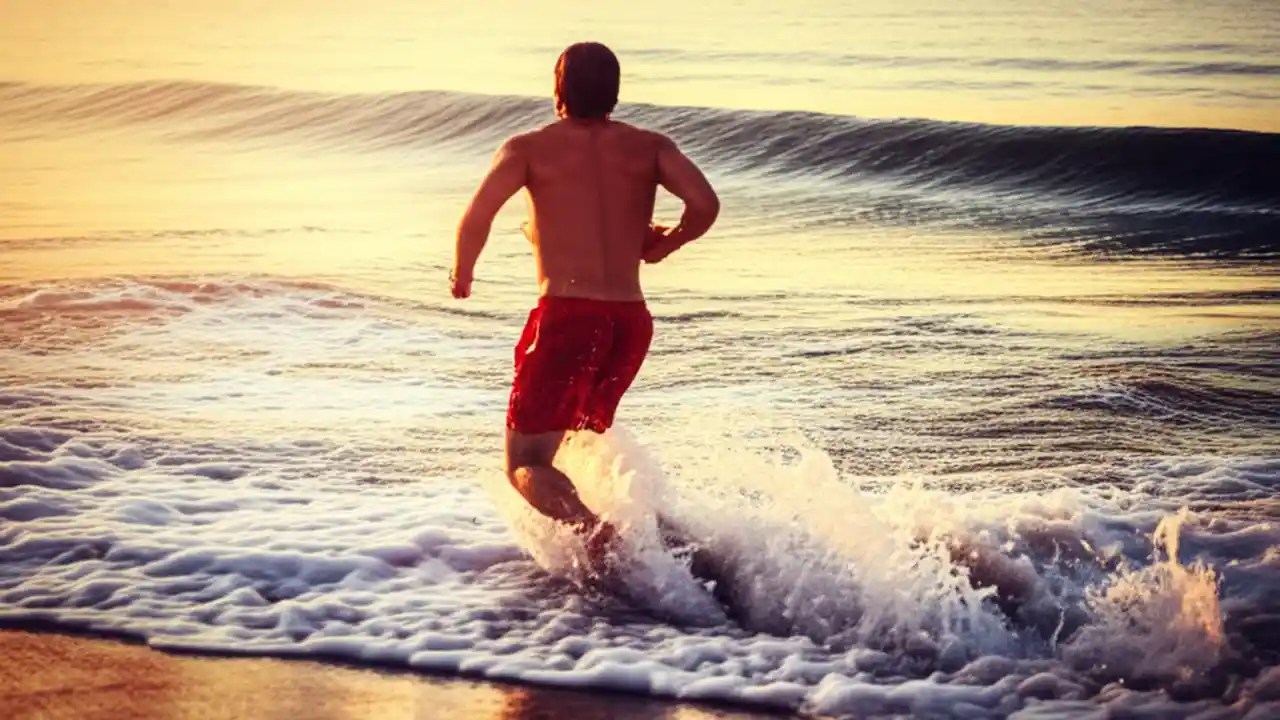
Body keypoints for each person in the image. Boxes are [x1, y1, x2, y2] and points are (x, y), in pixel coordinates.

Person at [449, 42, 720, 571]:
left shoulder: (527, 148)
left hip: (569, 319)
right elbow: (705, 205)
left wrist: (463, 272)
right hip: (630, 323)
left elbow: (477, 215)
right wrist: (664, 245)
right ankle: (661, 548)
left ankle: (606, 543)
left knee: (525, 462)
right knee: (576, 438)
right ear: (615, 94)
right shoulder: (651, 146)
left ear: (557, 92)